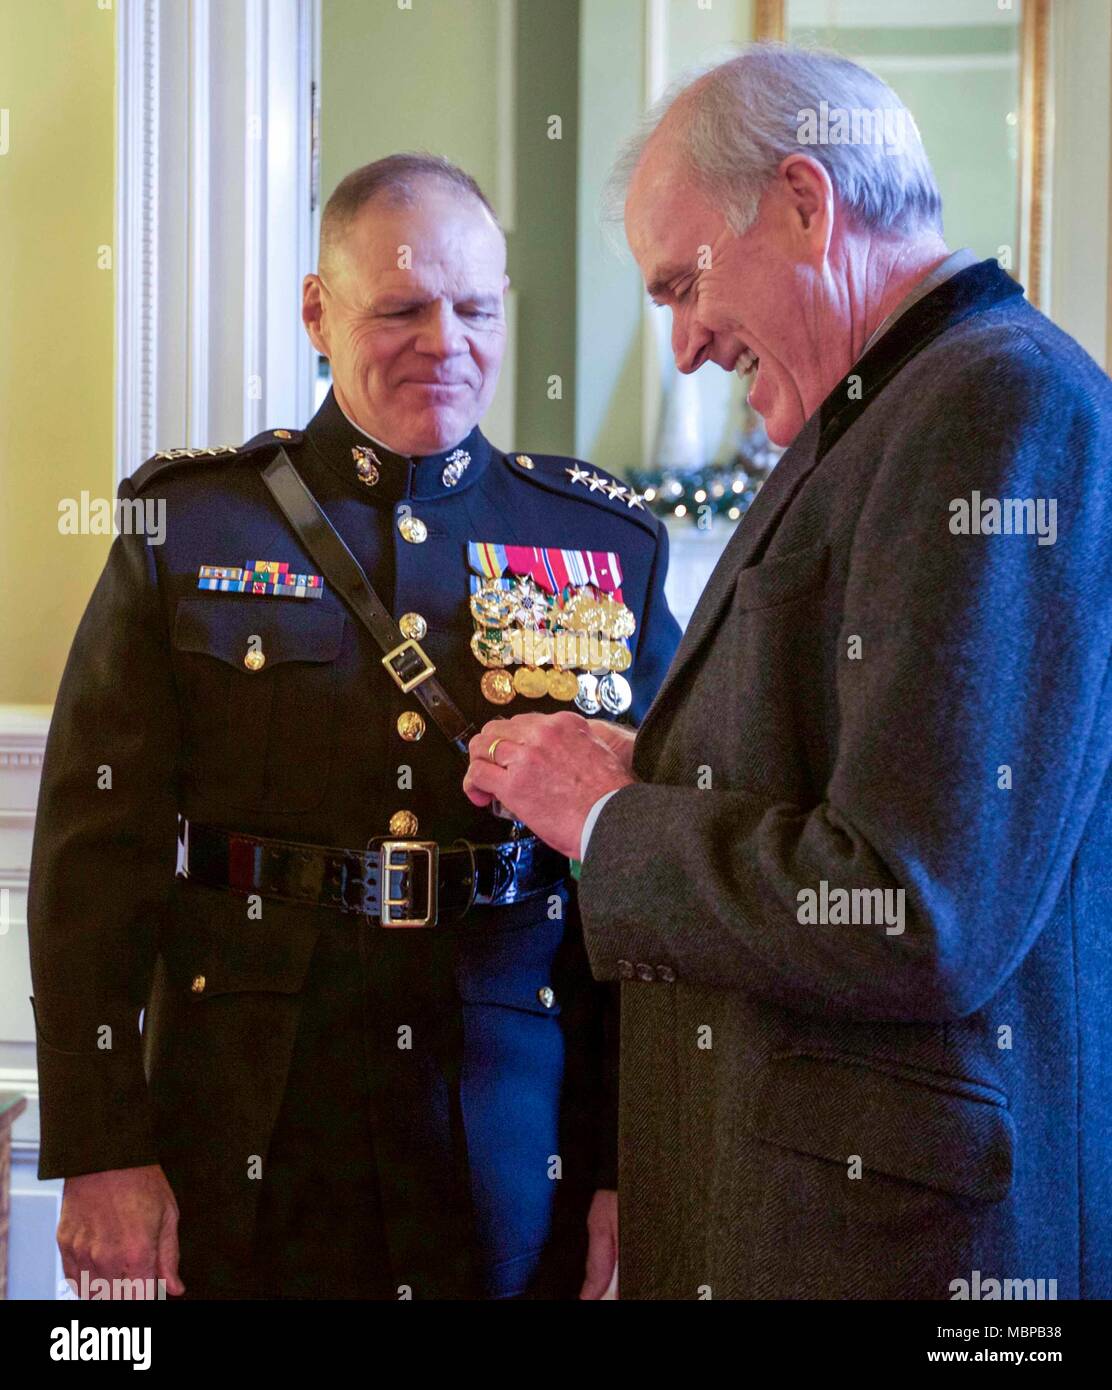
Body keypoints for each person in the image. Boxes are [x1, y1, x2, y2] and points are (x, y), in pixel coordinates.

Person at [464, 45, 1112, 1299]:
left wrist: (610, 821)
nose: (685, 344)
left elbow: (917, 909)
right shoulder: (891, 409)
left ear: (806, 206)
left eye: (680, 286)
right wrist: (640, 773)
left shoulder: (996, 406)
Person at [28, 153, 680, 1300]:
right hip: (247, 1098)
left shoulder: (598, 543)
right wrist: (100, 1147)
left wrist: (633, 1159)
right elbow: (94, 863)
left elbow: (641, 886)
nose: (446, 340)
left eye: (476, 308)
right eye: (401, 308)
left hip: (506, 1106)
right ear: (316, 313)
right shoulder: (188, 524)